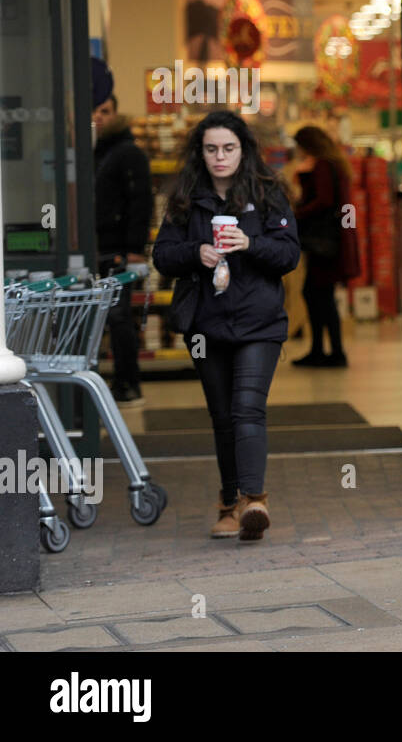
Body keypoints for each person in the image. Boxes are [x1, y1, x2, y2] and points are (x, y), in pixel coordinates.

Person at [153, 111, 300, 541]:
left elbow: (289, 254)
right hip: (204, 326)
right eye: (212, 149)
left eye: (229, 148)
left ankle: (254, 501)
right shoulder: (185, 197)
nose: (220, 157)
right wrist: (194, 252)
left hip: (259, 322)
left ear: (243, 150)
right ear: (201, 153)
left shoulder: (269, 193)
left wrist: (250, 244)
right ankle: (228, 505)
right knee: (222, 418)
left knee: (247, 410)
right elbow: (162, 255)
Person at [91, 58, 152, 405]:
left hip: (117, 251)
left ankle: (128, 383)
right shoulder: (94, 154)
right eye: (95, 110)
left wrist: (134, 249)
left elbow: (140, 202)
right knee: (107, 318)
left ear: (116, 113)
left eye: (105, 110)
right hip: (97, 248)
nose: (99, 116)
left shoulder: (128, 153)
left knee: (118, 317)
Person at [291, 125, 360, 367]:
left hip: (324, 241)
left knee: (316, 294)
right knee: (321, 294)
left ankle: (327, 350)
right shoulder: (335, 163)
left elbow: (323, 200)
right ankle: (325, 349)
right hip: (334, 240)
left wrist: (296, 213)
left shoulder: (322, 165)